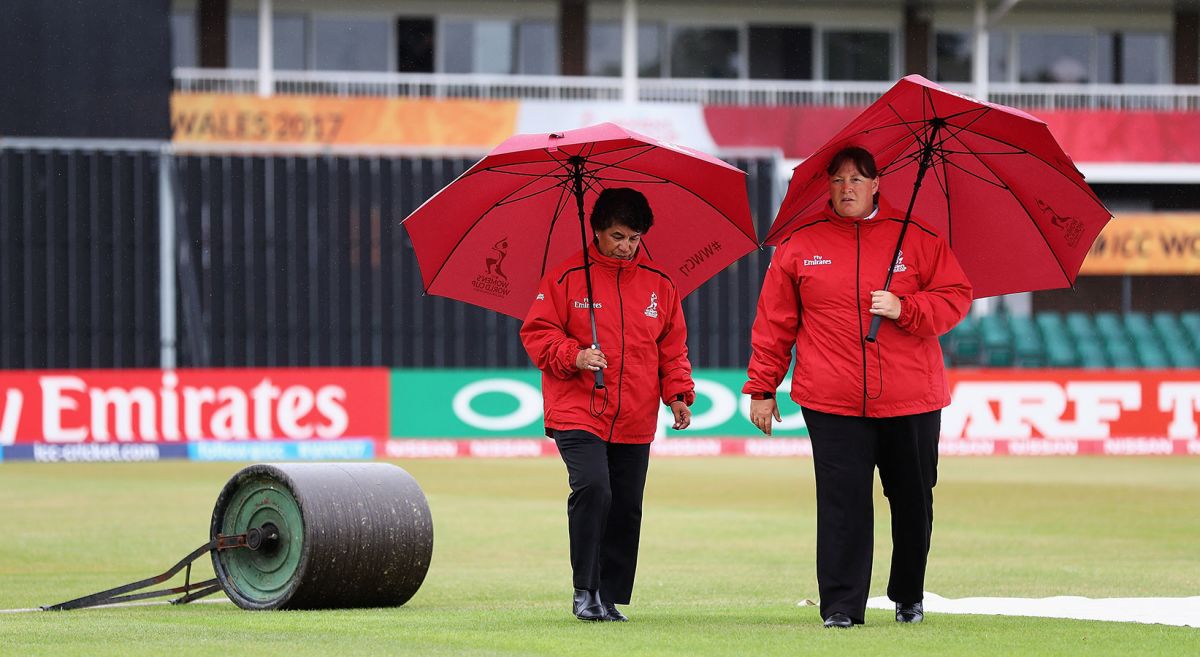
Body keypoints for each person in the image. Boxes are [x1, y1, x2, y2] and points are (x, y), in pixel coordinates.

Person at [743, 146, 972, 628]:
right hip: (831, 399)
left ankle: (909, 594)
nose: (846, 188)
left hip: (912, 397)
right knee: (842, 504)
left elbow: (955, 299)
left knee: (913, 500)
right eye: (838, 180)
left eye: (857, 179)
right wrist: (762, 387)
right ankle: (842, 609)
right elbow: (775, 323)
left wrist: (904, 309)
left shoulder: (920, 239)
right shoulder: (799, 245)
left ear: (876, 184)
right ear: (828, 186)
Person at [521, 187, 695, 623]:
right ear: (596, 230)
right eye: (618, 236)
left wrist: (677, 394)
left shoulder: (661, 285)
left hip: (636, 415)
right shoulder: (564, 279)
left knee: (626, 505)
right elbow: (537, 334)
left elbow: (672, 350)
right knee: (594, 488)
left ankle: (610, 596)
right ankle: (585, 591)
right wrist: (575, 356)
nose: (626, 247)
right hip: (577, 408)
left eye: (634, 238)